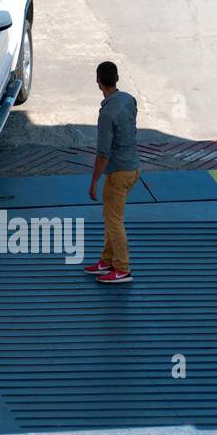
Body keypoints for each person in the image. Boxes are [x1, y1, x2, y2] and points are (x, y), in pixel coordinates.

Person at [84, 61, 139, 283]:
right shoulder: (128, 99)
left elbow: (103, 153)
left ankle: (122, 268)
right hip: (133, 168)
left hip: (118, 173)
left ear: (98, 81)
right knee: (111, 217)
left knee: (114, 220)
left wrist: (94, 181)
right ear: (116, 78)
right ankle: (106, 260)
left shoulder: (107, 114)